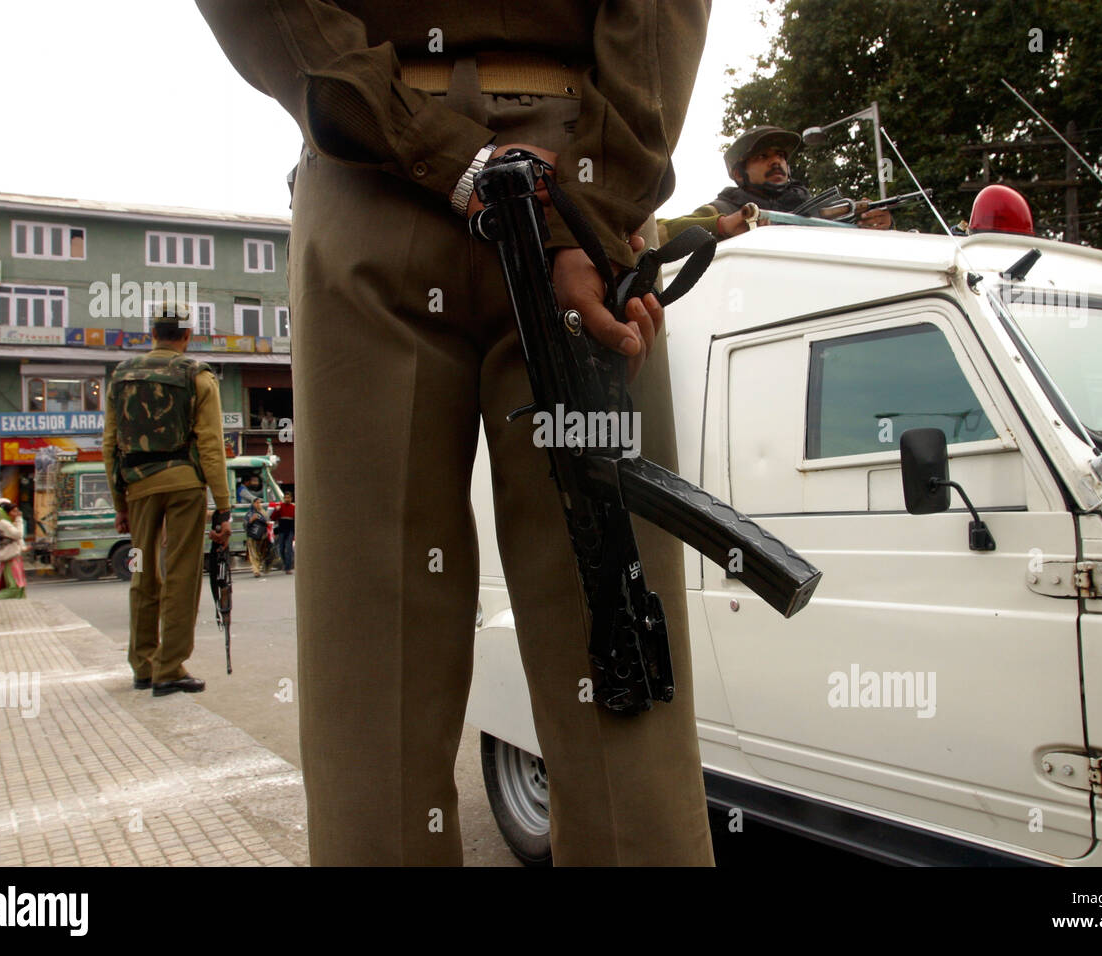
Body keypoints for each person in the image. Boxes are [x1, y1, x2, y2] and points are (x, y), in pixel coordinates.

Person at [197, 0, 715, 866]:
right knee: (615, 628)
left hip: (373, 171)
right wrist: (600, 195)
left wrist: (443, 152)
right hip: (582, 167)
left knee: (374, 656)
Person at [102, 304, 231, 697]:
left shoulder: (121, 376)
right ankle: (169, 667)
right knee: (181, 573)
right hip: (184, 489)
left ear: (152, 333)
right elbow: (210, 444)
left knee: (142, 573)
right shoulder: (197, 375)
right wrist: (223, 505)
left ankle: (142, 665)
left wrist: (119, 504)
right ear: (187, 336)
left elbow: (110, 445)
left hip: (138, 491)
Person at [659, 125, 893, 242]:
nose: (776, 162)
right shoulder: (724, 209)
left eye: (780, 156)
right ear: (739, 174)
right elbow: (658, 233)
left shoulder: (817, 209)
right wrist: (721, 225)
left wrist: (881, 225)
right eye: (763, 157)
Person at [0, 503, 27, 599]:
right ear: (7, 513)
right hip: (10, 558)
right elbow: (18, 534)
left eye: (17, 511)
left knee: (20, 588)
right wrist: (19, 520)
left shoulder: (8, 523)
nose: (17, 514)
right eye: (14, 511)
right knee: (15, 587)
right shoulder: (3, 523)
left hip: (14, 557)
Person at [270, 492, 296, 574]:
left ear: (291, 498)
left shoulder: (293, 508)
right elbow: (273, 518)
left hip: (290, 530)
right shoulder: (281, 507)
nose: (287, 499)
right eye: (286, 498)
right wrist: (276, 511)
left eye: (288, 498)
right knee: (281, 549)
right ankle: (285, 564)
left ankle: (288, 567)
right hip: (282, 530)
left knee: (288, 548)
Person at [245, 498, 271, 577]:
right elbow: (245, 525)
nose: (258, 505)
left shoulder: (263, 513)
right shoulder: (249, 514)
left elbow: (267, 522)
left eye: (259, 503)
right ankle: (256, 570)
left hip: (262, 537)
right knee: (253, 554)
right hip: (252, 537)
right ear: (253, 504)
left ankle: (259, 567)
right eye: (257, 503)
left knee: (260, 553)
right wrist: (251, 520)